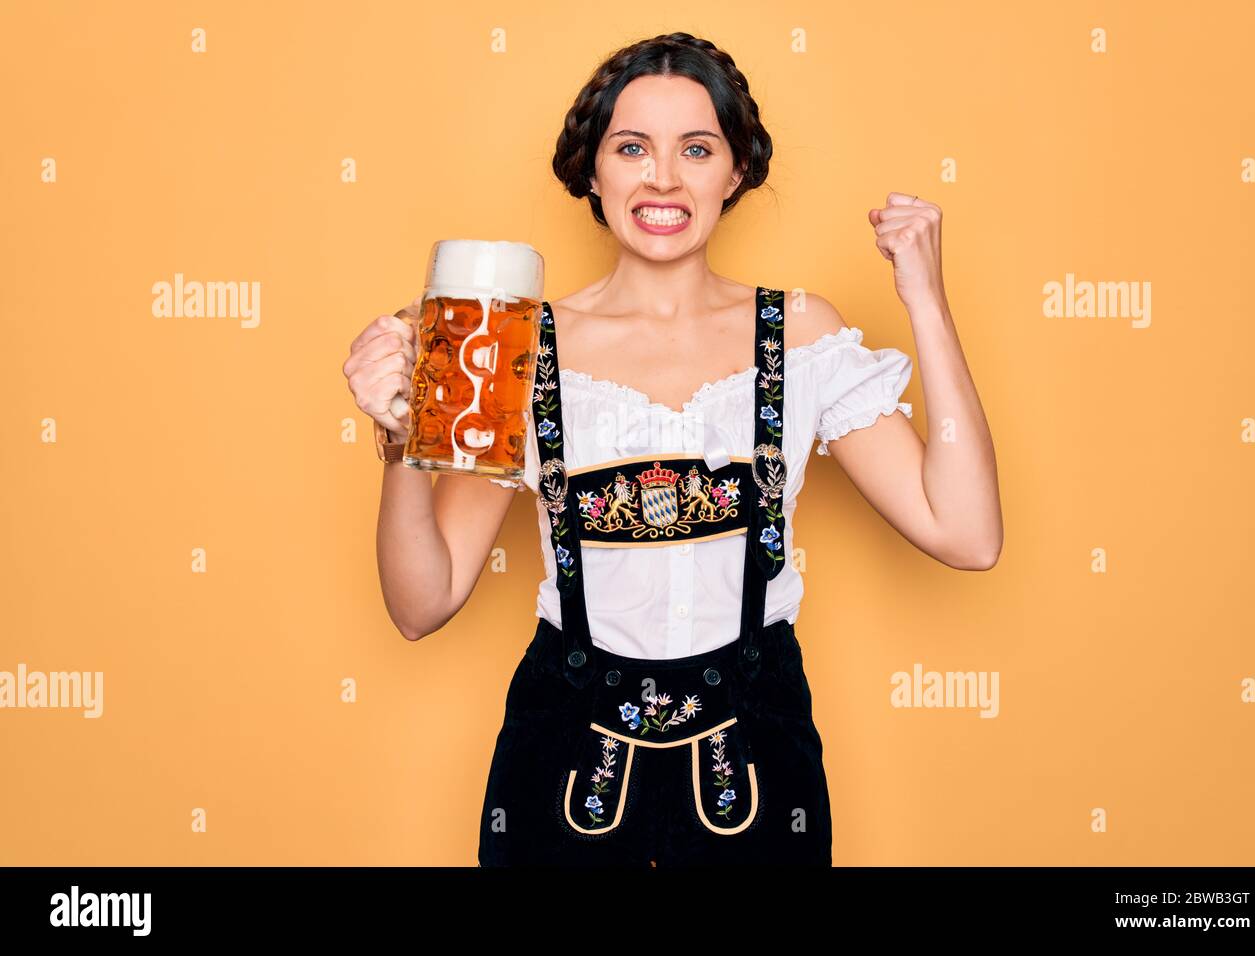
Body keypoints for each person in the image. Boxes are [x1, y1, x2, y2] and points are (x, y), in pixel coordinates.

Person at [342, 32, 1002, 866]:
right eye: (631, 147)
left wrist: (924, 298)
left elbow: (967, 533)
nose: (662, 178)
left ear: (735, 172)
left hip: (760, 766)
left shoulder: (799, 335)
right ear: (592, 171)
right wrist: (401, 443)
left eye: (696, 148)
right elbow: (421, 603)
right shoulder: (514, 345)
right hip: (559, 763)